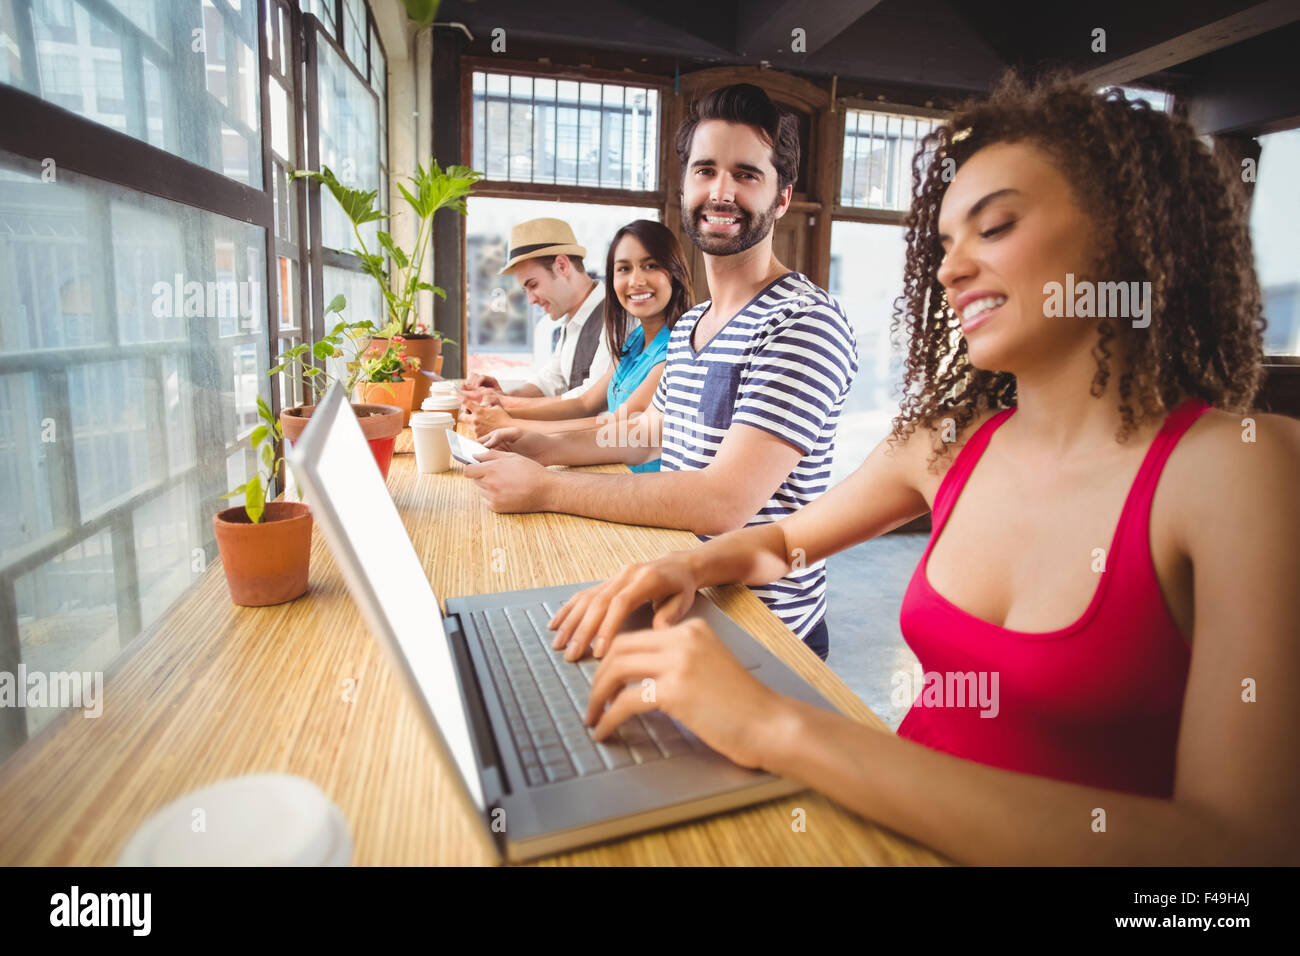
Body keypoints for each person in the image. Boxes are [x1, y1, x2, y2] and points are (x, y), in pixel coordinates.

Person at [543, 72, 1300, 865]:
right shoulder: (942, 440)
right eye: (943, 244)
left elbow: (1233, 868)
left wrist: (779, 724)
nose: (950, 270)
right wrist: (681, 566)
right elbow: (780, 541)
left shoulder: (1241, 474)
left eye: (996, 227)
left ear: (1133, 235)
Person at [465, 84, 859, 660]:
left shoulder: (803, 322)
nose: (721, 191)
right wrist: (541, 448)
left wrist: (548, 488)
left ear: (781, 199)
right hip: (684, 598)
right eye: (706, 170)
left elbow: (723, 502)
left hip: (763, 633)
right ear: (684, 189)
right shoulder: (695, 322)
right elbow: (648, 430)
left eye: (746, 175)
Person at [463, 220, 692, 473]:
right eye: (624, 269)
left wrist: (511, 420)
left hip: (640, 484)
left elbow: (615, 425)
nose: (636, 280)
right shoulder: (634, 339)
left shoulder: (676, 347)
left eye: (651, 266)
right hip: (609, 468)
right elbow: (583, 401)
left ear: (673, 272)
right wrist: (504, 406)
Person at [461, 218, 614, 408]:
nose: (531, 300)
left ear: (562, 266)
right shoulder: (572, 321)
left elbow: (590, 398)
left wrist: (505, 402)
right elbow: (550, 382)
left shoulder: (615, 318)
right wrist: (502, 395)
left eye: (533, 285)